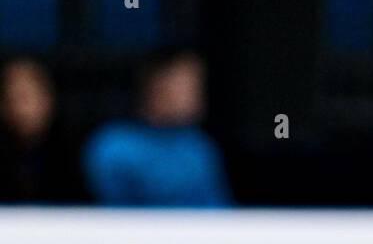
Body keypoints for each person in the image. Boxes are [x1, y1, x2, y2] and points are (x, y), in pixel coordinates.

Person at [83, 52, 232, 208]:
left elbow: (219, 210)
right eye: (188, 85)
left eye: (199, 85)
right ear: (156, 85)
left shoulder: (199, 146)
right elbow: (116, 215)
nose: (197, 95)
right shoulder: (114, 145)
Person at [0, 58, 85, 204]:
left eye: (25, 98)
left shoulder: (75, 148)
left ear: (47, 99)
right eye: (11, 99)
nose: (20, 109)